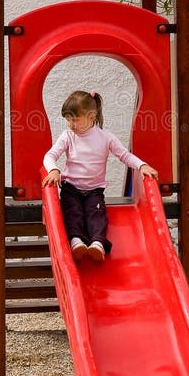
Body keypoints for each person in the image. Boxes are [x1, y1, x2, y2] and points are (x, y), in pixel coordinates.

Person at [42, 90, 158, 264]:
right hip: (71, 187)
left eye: (74, 120)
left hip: (95, 190)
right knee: (73, 213)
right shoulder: (68, 136)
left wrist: (142, 165)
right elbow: (49, 156)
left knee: (97, 215)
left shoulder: (105, 137)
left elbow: (124, 155)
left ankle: (98, 244)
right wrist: (53, 170)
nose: (70, 124)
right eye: (67, 120)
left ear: (91, 116)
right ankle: (76, 242)